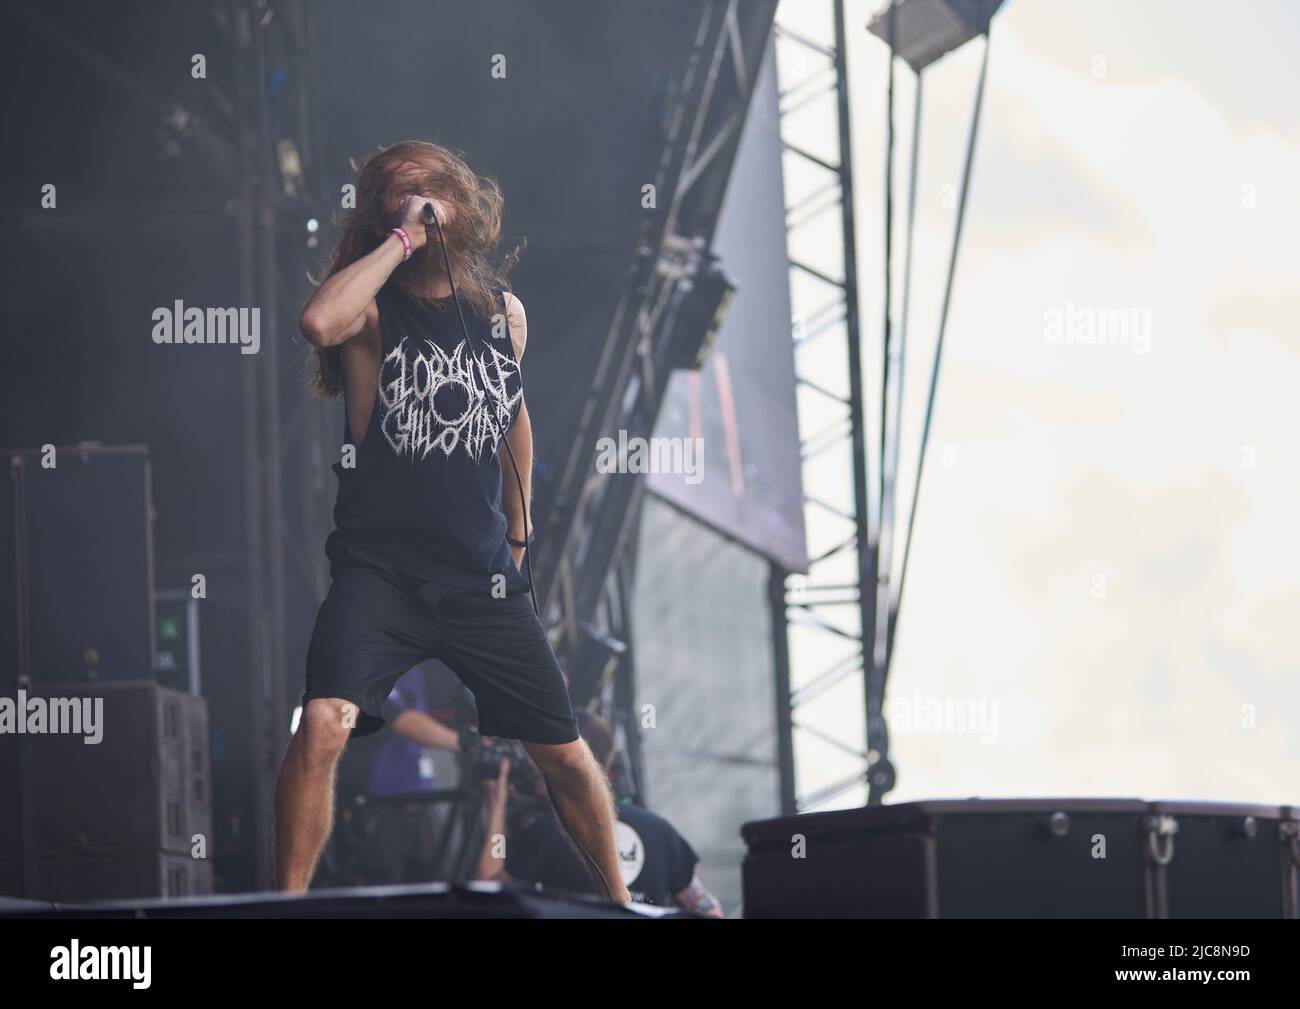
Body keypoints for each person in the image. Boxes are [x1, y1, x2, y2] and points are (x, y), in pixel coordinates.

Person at [273, 140, 629, 903]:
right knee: (324, 720)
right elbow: (315, 321)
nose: (422, 202)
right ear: (381, 215)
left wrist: (519, 536)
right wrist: (402, 239)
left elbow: (514, 418)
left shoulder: (502, 314)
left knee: (564, 753)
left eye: (432, 191)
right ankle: (284, 901)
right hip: (383, 572)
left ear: (464, 204)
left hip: (480, 579)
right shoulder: (370, 309)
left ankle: (623, 905)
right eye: (400, 194)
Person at [477, 712, 724, 916]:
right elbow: (708, 910)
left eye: (542, 761)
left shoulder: (550, 830)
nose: (535, 767)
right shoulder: (659, 829)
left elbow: (486, 890)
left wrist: (497, 805)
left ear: (565, 761)